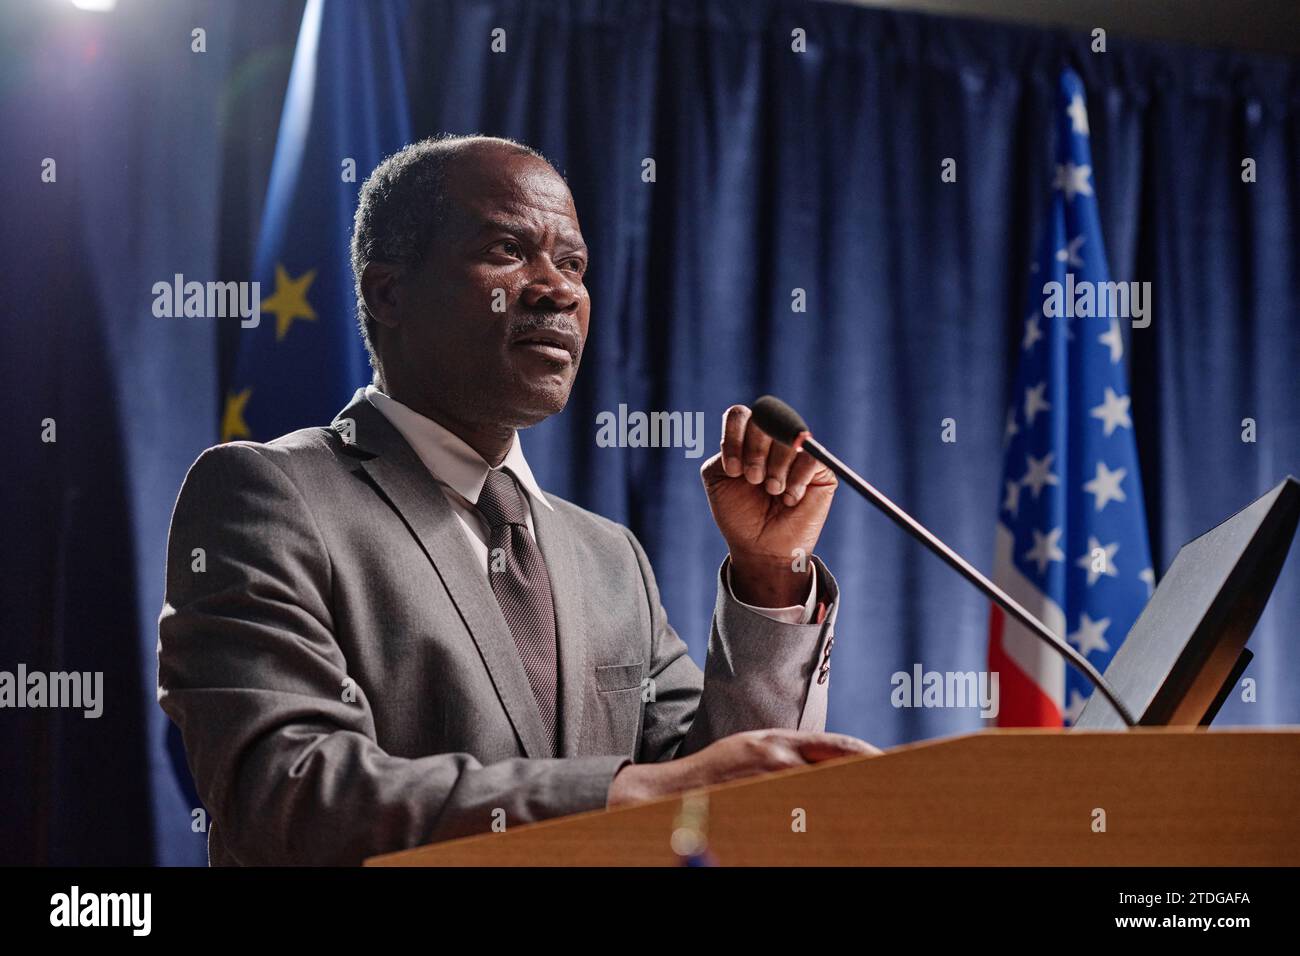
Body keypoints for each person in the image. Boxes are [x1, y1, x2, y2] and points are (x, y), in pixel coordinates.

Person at [158, 134, 876, 866]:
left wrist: (766, 573)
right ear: (389, 293)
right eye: (508, 250)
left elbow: (719, 797)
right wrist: (622, 798)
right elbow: (287, 792)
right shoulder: (268, 494)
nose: (557, 288)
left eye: (572, 264)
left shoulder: (609, 556)